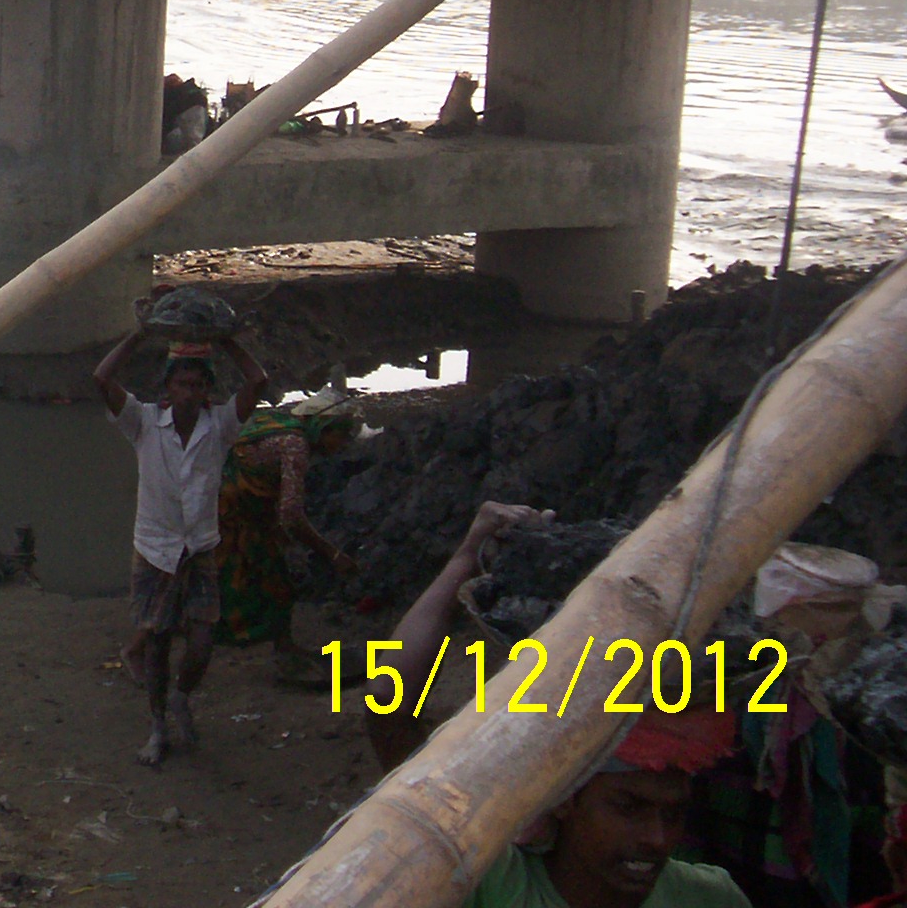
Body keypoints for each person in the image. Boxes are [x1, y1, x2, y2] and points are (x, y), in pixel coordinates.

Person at [370, 505, 750, 908]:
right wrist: (465, 560)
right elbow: (387, 706)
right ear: (565, 797)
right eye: (628, 807)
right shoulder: (495, 883)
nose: (656, 838)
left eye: (673, 814)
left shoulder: (708, 898)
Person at [93, 287, 266, 766]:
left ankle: (180, 697)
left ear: (207, 389)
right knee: (158, 643)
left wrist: (227, 338)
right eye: (182, 385)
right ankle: (156, 725)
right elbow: (102, 377)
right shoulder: (143, 423)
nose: (191, 393)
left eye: (198, 386)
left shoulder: (220, 426)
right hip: (154, 551)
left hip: (200, 550)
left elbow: (257, 381)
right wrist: (139, 334)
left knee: (204, 641)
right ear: (167, 388)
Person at [216, 390, 361, 677]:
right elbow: (291, 515)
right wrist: (331, 553)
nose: (343, 445)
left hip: (238, 505)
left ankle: (283, 645)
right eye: (340, 436)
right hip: (231, 513)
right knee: (241, 575)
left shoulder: (277, 422)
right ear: (322, 429)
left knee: (271, 575)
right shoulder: (295, 447)